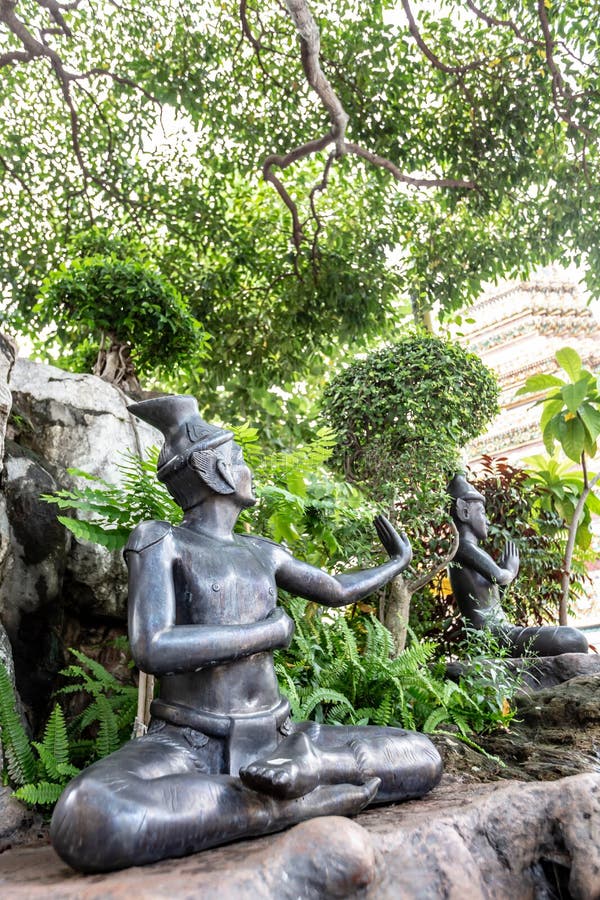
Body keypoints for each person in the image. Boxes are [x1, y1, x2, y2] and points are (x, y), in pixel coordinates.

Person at [50, 395, 442, 873]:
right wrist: (265, 632)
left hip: (281, 737)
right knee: (88, 815)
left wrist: (396, 563)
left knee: (420, 753)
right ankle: (287, 804)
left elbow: (336, 589)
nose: (246, 468)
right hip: (188, 743)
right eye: (238, 458)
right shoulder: (160, 540)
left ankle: (314, 768)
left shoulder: (263, 551)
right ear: (213, 471)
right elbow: (152, 647)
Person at [448, 473, 588, 656]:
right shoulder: (463, 548)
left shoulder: (474, 551)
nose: (487, 520)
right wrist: (510, 569)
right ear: (464, 512)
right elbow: (499, 576)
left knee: (574, 639)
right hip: (491, 635)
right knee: (572, 639)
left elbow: (494, 597)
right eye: (482, 512)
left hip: (503, 631)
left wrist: (505, 572)